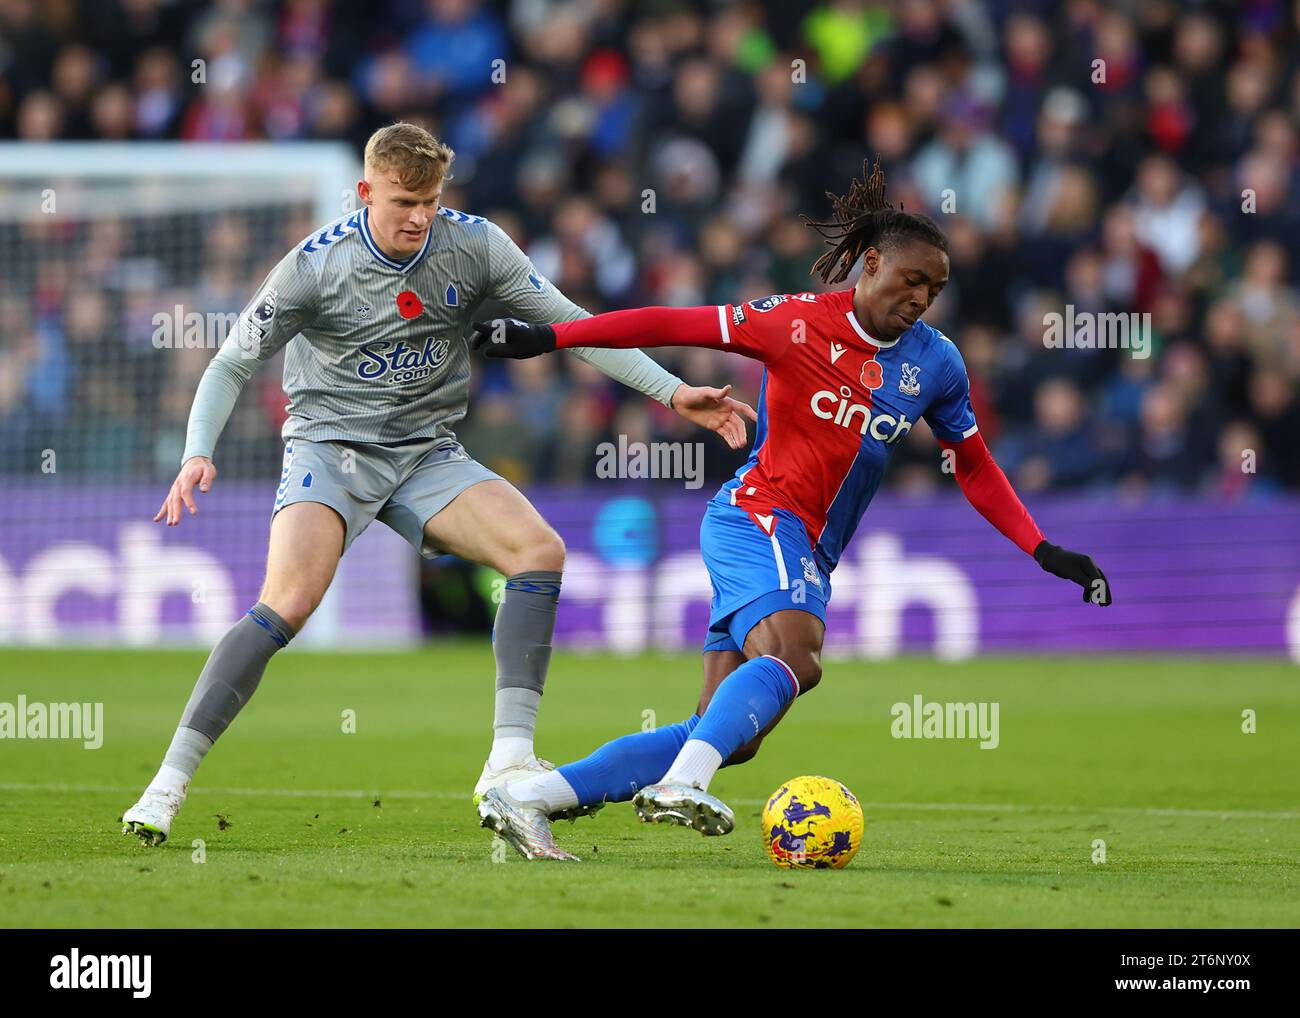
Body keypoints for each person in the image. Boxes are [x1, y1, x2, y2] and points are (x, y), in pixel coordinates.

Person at [120, 122, 754, 855]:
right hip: (333, 449)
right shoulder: (313, 268)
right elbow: (232, 363)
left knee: (538, 552)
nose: (419, 215)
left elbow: (576, 326)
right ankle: (166, 784)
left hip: (426, 454)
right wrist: (199, 452)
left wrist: (674, 393)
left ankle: (508, 760)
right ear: (365, 193)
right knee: (288, 601)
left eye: (429, 200)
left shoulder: (475, 246)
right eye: (402, 201)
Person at [470, 159, 1112, 861]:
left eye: (936, 287)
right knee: (798, 659)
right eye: (911, 279)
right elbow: (669, 321)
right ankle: (683, 785)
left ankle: (530, 797)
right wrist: (550, 337)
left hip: (805, 547)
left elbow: (976, 465)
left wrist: (1042, 549)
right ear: (871, 264)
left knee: (728, 733)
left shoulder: (937, 364)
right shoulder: (795, 322)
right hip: (760, 515)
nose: (923, 297)